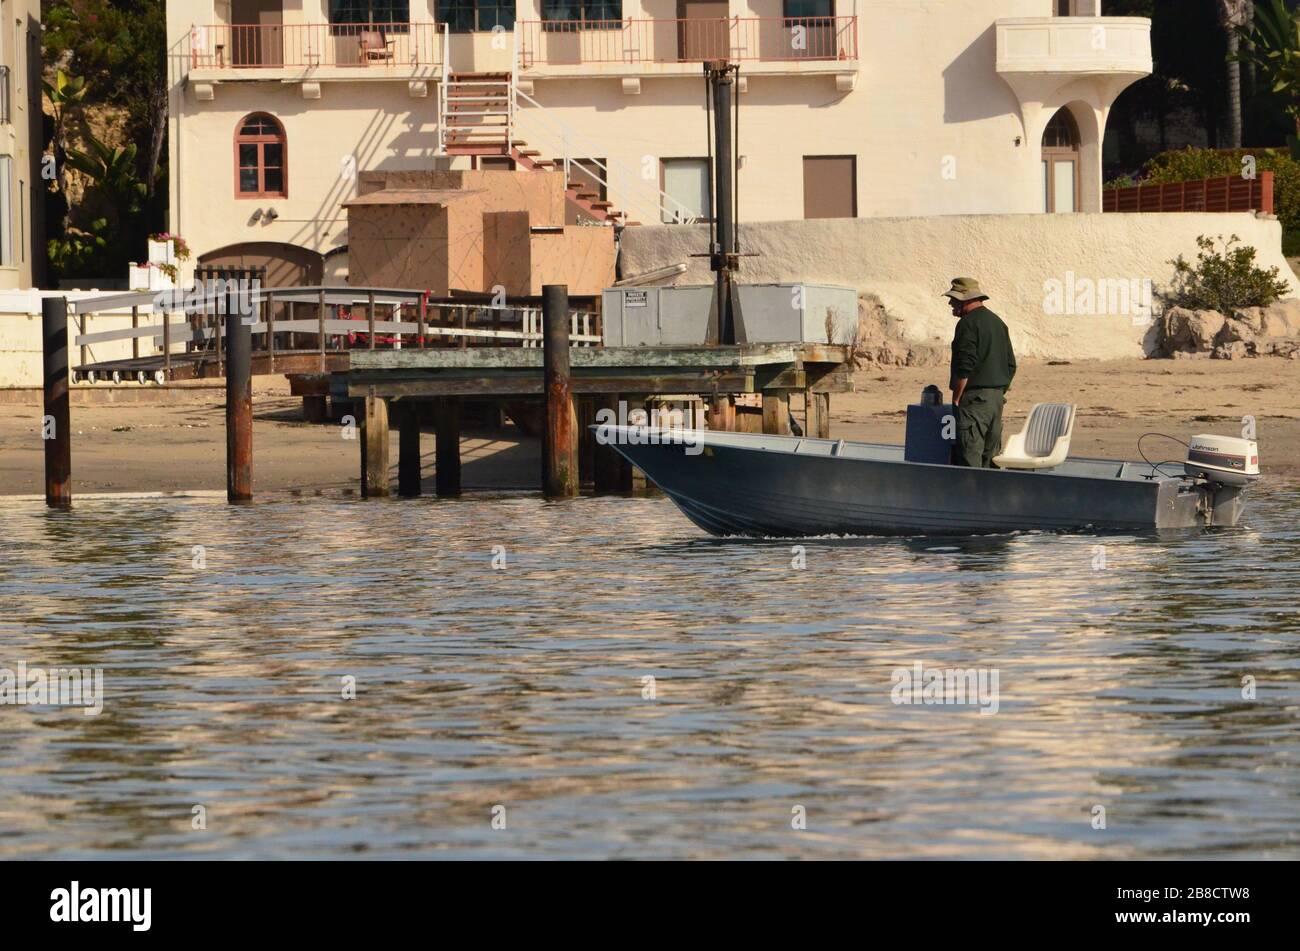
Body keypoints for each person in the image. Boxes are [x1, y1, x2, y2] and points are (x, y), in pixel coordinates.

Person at [942, 278, 1016, 468]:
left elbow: (964, 365)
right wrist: (998, 392)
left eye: (953, 299)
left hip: (974, 400)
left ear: (965, 300)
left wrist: (957, 397)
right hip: (996, 400)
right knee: (990, 459)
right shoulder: (997, 322)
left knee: (970, 457)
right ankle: (989, 496)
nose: (950, 303)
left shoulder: (968, 323)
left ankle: (971, 496)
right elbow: (1011, 364)